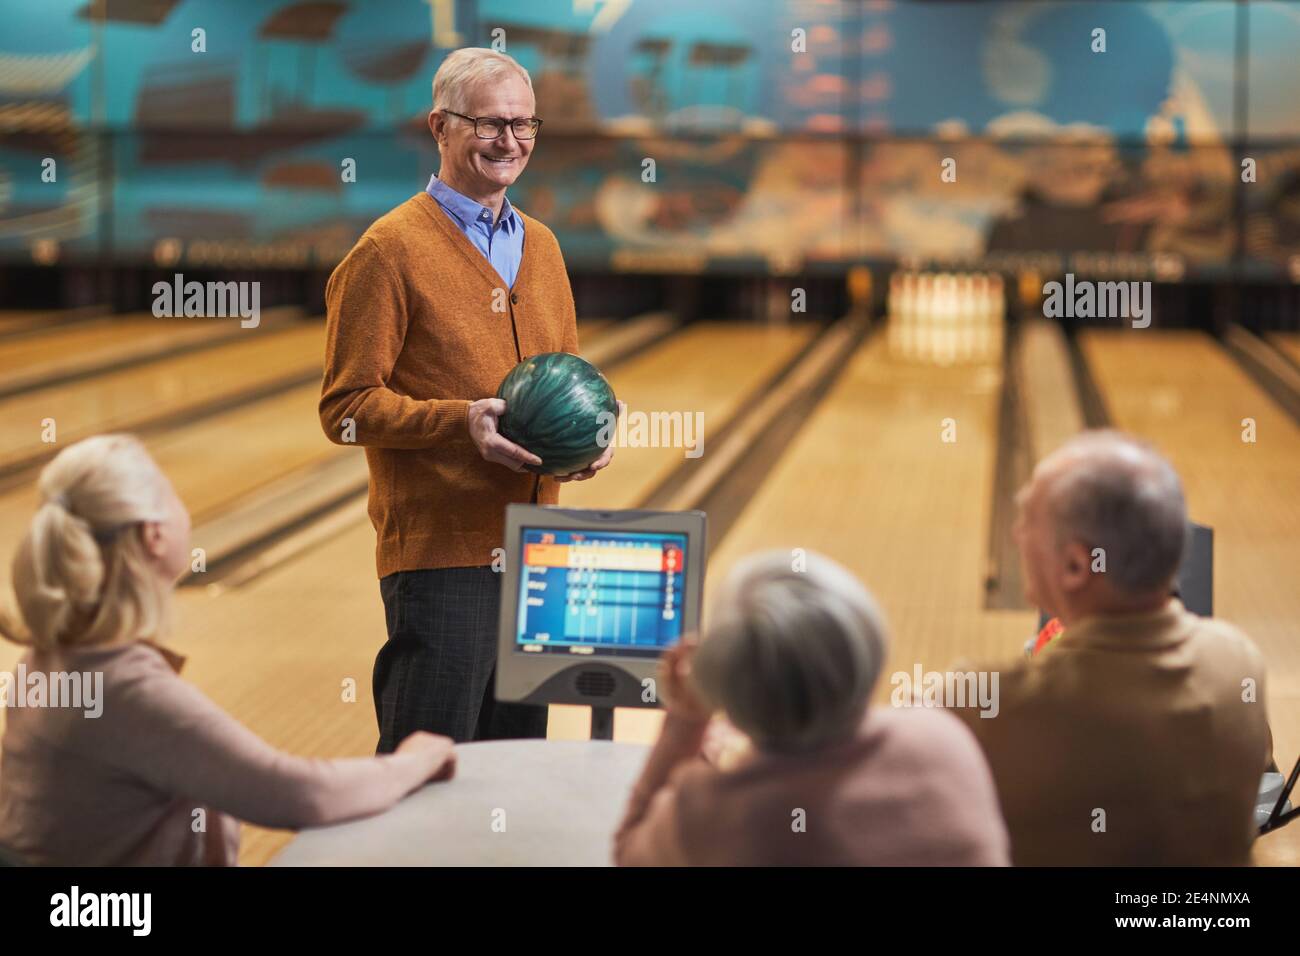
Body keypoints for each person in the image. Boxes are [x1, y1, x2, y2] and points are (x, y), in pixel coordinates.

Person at [319, 47, 613, 751]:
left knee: (517, 766)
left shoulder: (541, 246)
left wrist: (587, 436)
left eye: (524, 124)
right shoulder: (388, 251)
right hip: (442, 555)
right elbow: (346, 408)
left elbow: (565, 371)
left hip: (538, 551)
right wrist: (462, 424)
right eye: (489, 123)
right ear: (440, 126)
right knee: (429, 767)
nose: (509, 141)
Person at [0, 435, 456, 866]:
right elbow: (300, 794)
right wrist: (409, 762)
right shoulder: (127, 690)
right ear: (153, 534)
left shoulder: (47, 658)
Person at [949, 430, 1272, 865]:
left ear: (1076, 565)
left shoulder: (980, 707)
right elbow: (1263, 801)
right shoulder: (1240, 661)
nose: (1014, 534)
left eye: (1027, 519)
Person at [614, 551, 1010, 866]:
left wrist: (686, 721)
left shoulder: (710, 814)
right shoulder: (944, 741)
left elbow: (629, 850)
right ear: (867, 643)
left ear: (723, 687)